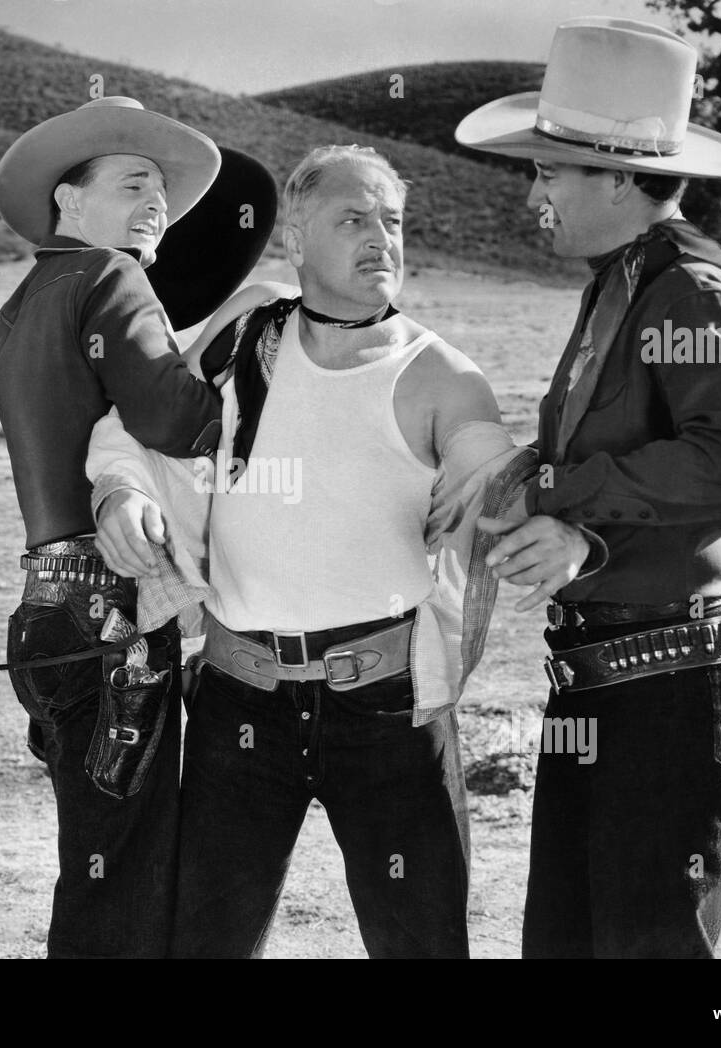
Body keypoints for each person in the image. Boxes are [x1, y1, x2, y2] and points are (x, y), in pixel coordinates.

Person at [89, 144, 599, 958]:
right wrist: (123, 493)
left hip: (388, 711)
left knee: (423, 944)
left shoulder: (443, 376)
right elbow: (138, 430)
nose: (381, 239)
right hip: (237, 701)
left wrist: (548, 512)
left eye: (392, 222)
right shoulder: (250, 326)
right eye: (354, 219)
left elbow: (498, 483)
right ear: (297, 239)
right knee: (202, 943)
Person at [455, 16, 721, 957]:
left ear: (617, 175)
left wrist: (569, 491)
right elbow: (643, 474)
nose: (535, 192)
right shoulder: (623, 281)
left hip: (673, 699)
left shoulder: (686, 286)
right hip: (609, 689)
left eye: (550, 171)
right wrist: (565, 515)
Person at [0, 98, 274, 958]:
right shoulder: (114, 278)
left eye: (161, 190)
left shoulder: (25, 298)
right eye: (132, 184)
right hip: (115, 614)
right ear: (70, 204)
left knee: (97, 857)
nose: (156, 204)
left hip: (45, 611)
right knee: (124, 868)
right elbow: (179, 422)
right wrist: (238, 319)